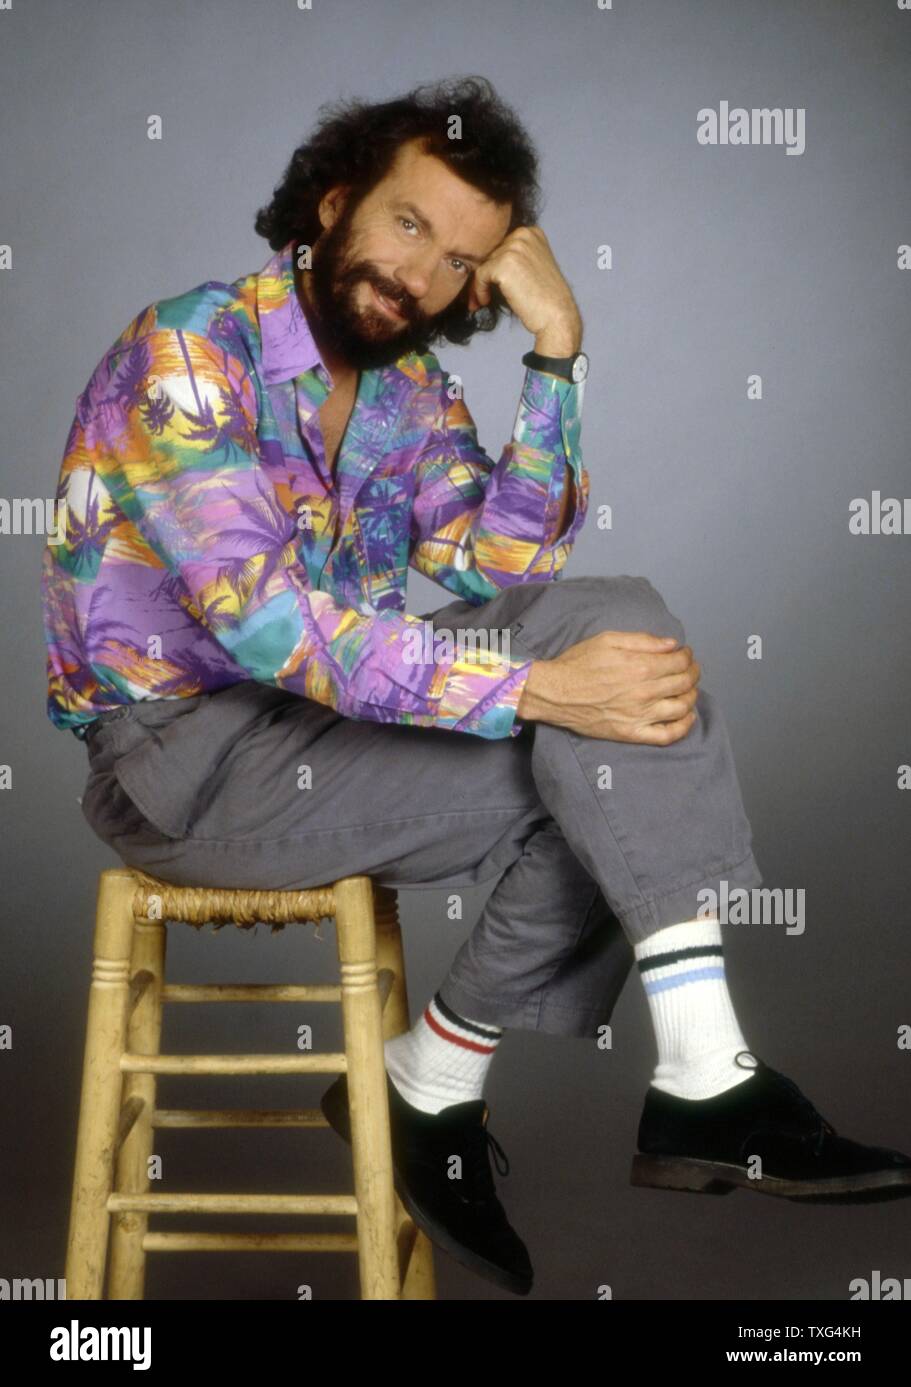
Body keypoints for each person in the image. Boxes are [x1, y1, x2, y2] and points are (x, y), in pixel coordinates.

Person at [42, 75, 911, 1299]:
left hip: (320, 732)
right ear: (334, 202)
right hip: (180, 769)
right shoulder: (188, 353)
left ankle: (638, 1078)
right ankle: (552, 1084)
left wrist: (556, 354)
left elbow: (506, 562)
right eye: (407, 225)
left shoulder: (404, 393)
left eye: (459, 262)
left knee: (616, 655)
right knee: (586, 714)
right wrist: (547, 694)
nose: (419, 276)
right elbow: (277, 629)